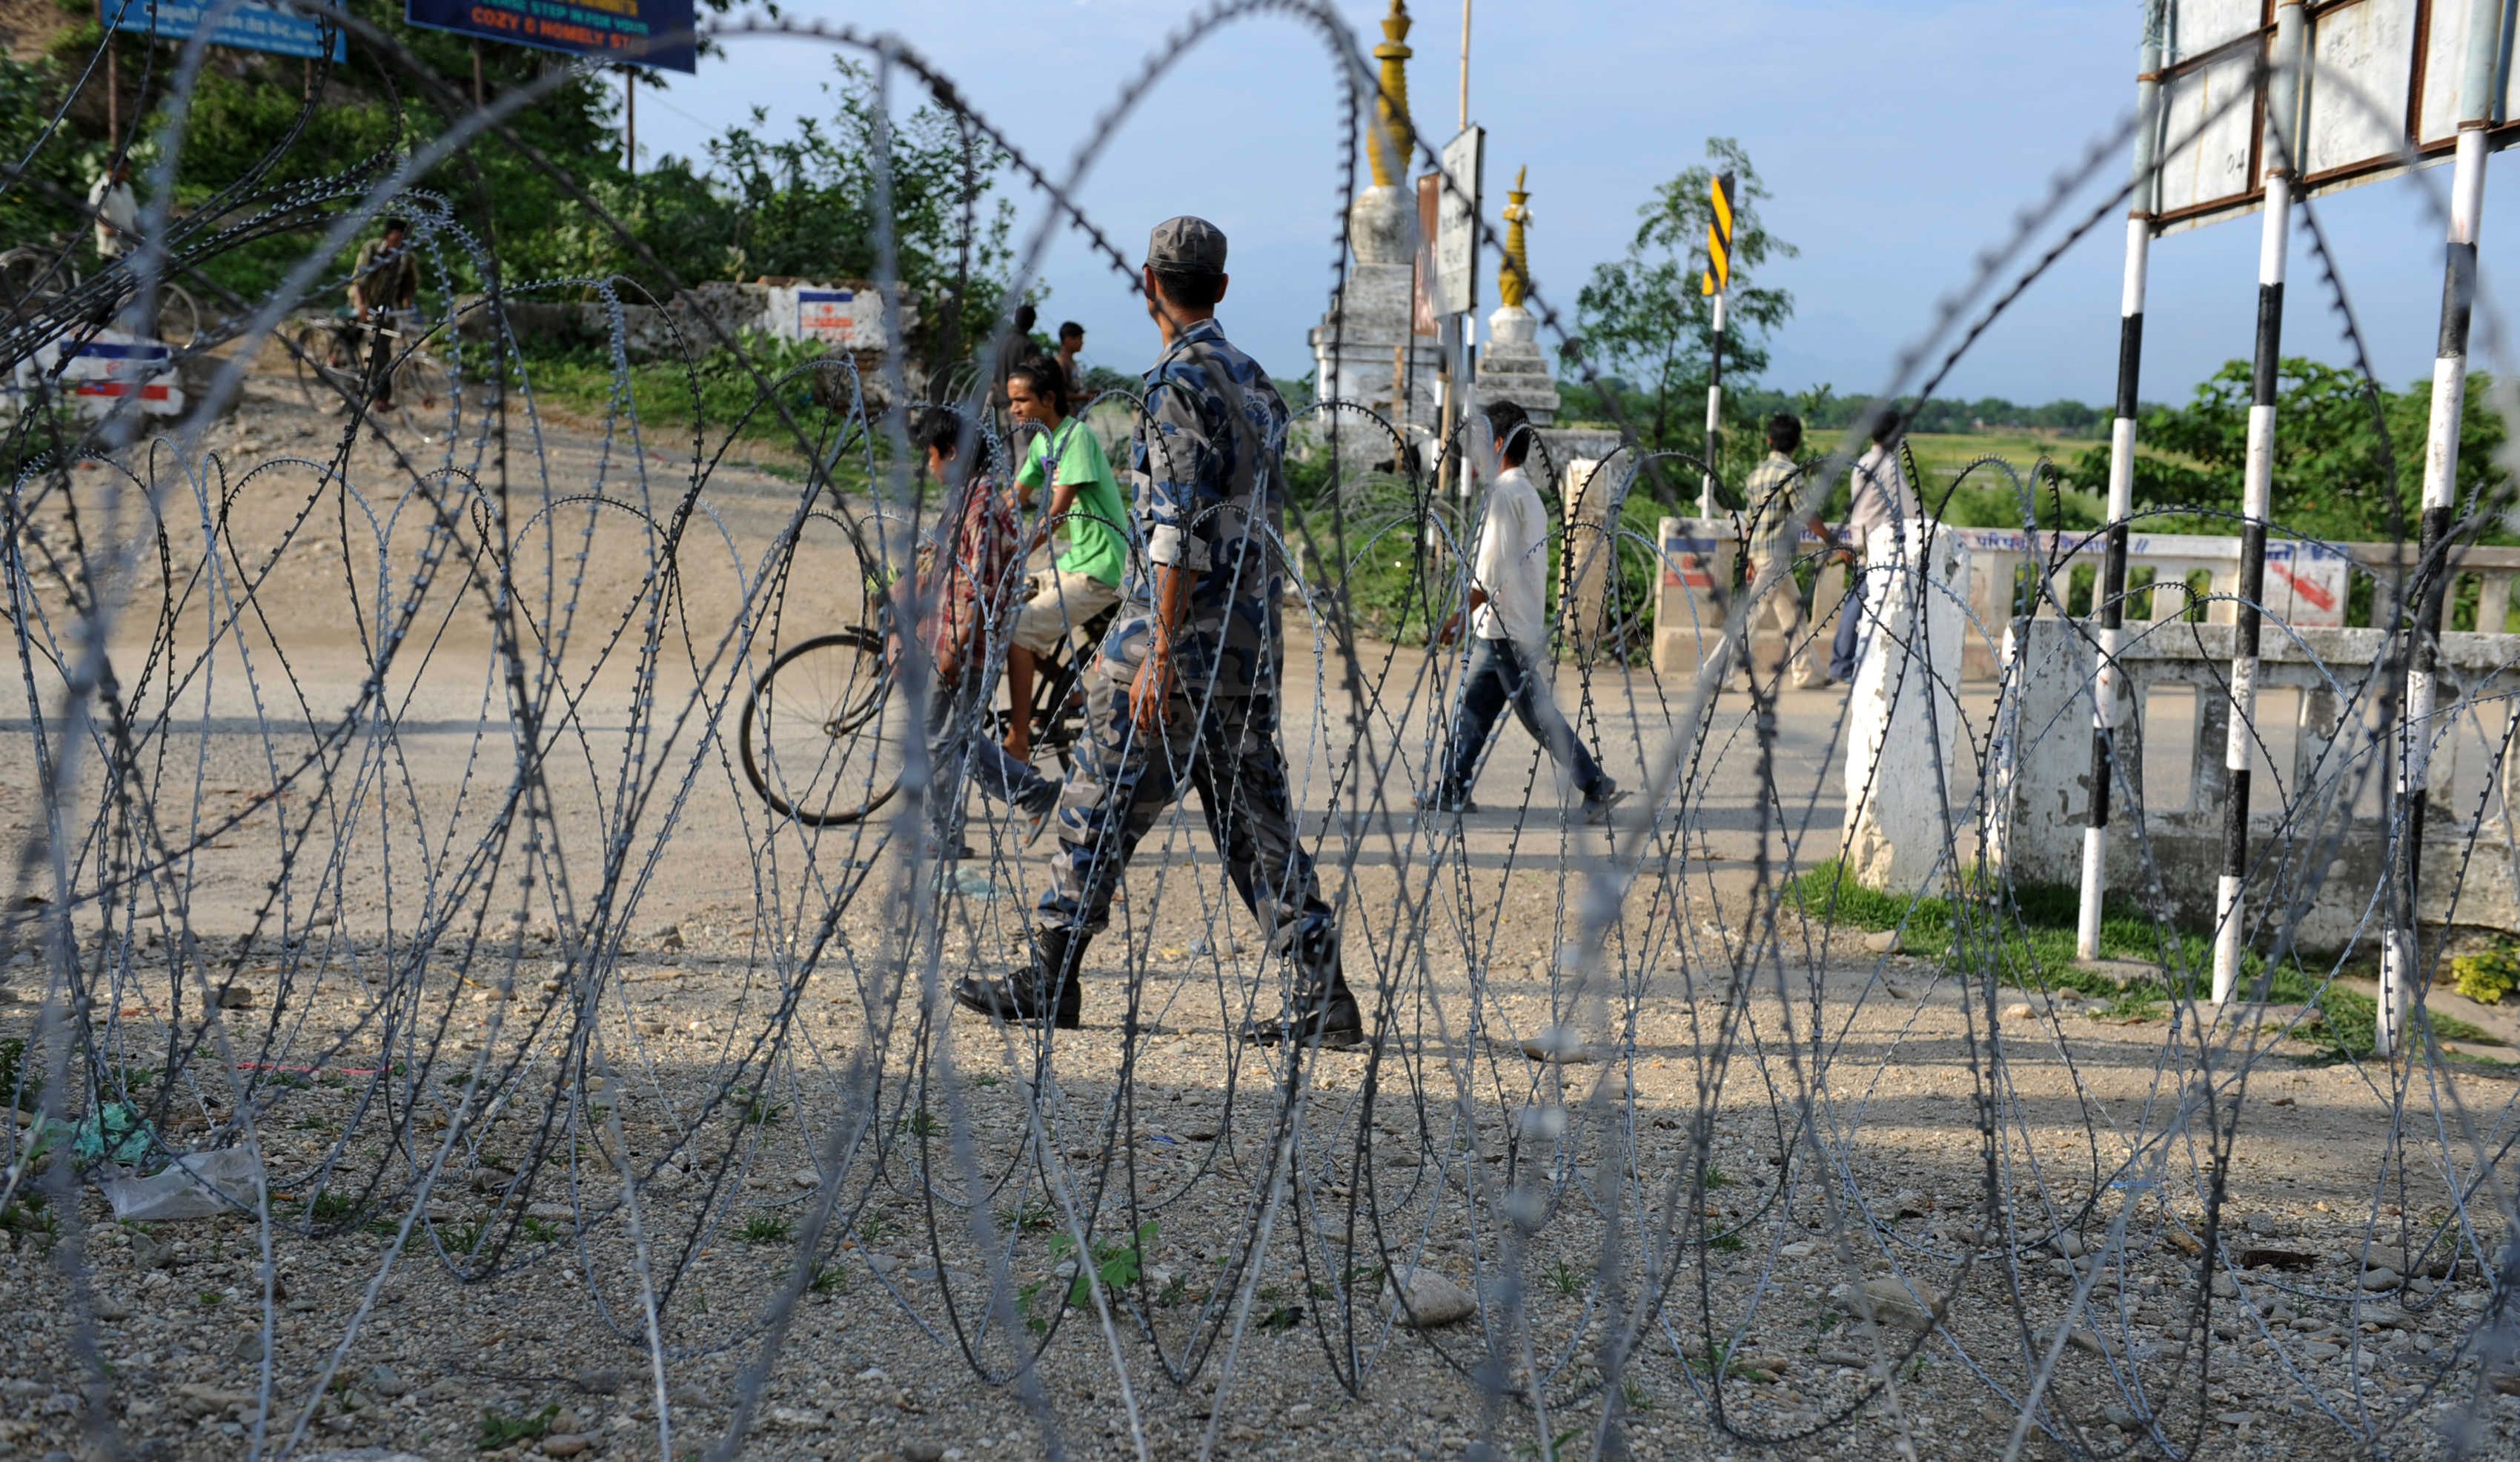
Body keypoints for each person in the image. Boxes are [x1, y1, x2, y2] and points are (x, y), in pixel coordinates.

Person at [953, 216, 1359, 1048]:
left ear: (1149, 285)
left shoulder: (1176, 385)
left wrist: (1162, 646)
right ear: (1221, 287)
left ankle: (1051, 974)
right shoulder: (1254, 381)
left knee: (1098, 791)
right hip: (1244, 640)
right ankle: (1324, 988)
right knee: (1252, 818)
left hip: (1172, 639)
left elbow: (1173, 524)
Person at [1417, 400, 1626, 824]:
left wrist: (1457, 617)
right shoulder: (1523, 492)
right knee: (1474, 709)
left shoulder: (1505, 496)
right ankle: (1451, 788)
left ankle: (1594, 783)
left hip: (1505, 628)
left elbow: (1490, 573)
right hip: (1503, 626)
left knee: (1536, 716)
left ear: (1498, 444)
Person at [887, 407, 1063, 847]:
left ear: (950, 452)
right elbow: (943, 566)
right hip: (954, 637)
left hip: (963, 644)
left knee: (936, 738)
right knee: (957, 737)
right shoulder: (969, 499)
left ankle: (942, 835)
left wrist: (954, 647)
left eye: (930, 455)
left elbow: (978, 585)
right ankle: (1033, 791)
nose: (928, 466)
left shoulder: (980, 506)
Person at [1002, 357, 1129, 762]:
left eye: (1022, 400)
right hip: (1073, 561)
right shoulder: (1042, 441)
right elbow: (1014, 498)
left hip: (1100, 568)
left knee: (1018, 632)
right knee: (1001, 610)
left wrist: (1017, 550)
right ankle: (1070, 692)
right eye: (1012, 401)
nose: (1014, 409)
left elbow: (1055, 513)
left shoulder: (1076, 438)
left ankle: (1018, 739)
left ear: (1049, 398)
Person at [1734, 413, 1840, 691]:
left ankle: (1808, 673)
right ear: (1797, 443)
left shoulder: (1755, 476)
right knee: (1751, 616)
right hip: (1776, 554)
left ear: (1770, 440)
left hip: (1761, 553)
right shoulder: (1791, 474)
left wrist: (1748, 558)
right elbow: (1807, 514)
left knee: (1793, 615)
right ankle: (1715, 673)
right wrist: (1831, 539)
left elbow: (1749, 522)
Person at [1829, 412, 1923, 684]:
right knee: (1862, 603)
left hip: (1861, 538)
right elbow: (1910, 508)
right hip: (1879, 544)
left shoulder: (1864, 462)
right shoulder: (1889, 466)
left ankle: (1846, 661)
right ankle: (1843, 664)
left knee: (1860, 601)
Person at [348, 218, 421, 411]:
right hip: (364, 301)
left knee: (382, 351)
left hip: (388, 309)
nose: (397, 243)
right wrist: (361, 304)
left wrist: (407, 301)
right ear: (387, 235)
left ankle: (380, 397)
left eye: (401, 239)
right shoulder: (372, 250)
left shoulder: (407, 257)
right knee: (350, 337)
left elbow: (410, 284)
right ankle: (348, 374)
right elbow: (358, 279)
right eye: (395, 238)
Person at [88, 158, 139, 264]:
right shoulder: (99, 189)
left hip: (130, 246)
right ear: (111, 170)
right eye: (123, 170)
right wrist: (108, 229)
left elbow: (134, 214)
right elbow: (93, 213)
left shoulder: (127, 188)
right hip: (112, 250)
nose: (127, 174)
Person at [1055, 320, 1087, 399]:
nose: (1082, 342)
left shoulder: (1071, 362)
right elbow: (1060, 394)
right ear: (1068, 340)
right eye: (1079, 338)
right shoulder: (1061, 363)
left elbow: (1074, 389)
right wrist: (1087, 397)